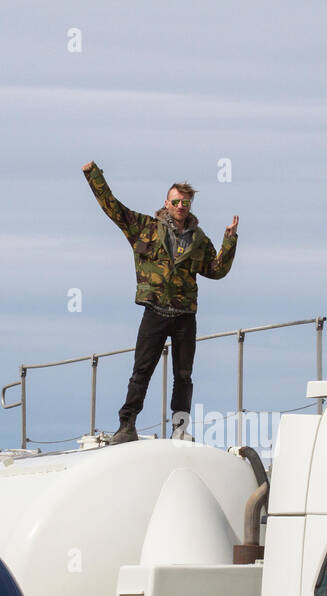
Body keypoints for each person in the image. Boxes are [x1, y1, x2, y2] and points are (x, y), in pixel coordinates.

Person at [82, 161, 238, 444]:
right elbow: (113, 208)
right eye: (176, 201)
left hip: (184, 316)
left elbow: (216, 270)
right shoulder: (145, 228)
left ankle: (180, 427)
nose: (181, 207)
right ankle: (126, 425)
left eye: (185, 203)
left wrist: (230, 239)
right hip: (154, 310)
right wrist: (93, 174)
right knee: (141, 371)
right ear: (166, 203)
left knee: (183, 375)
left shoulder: (199, 240)